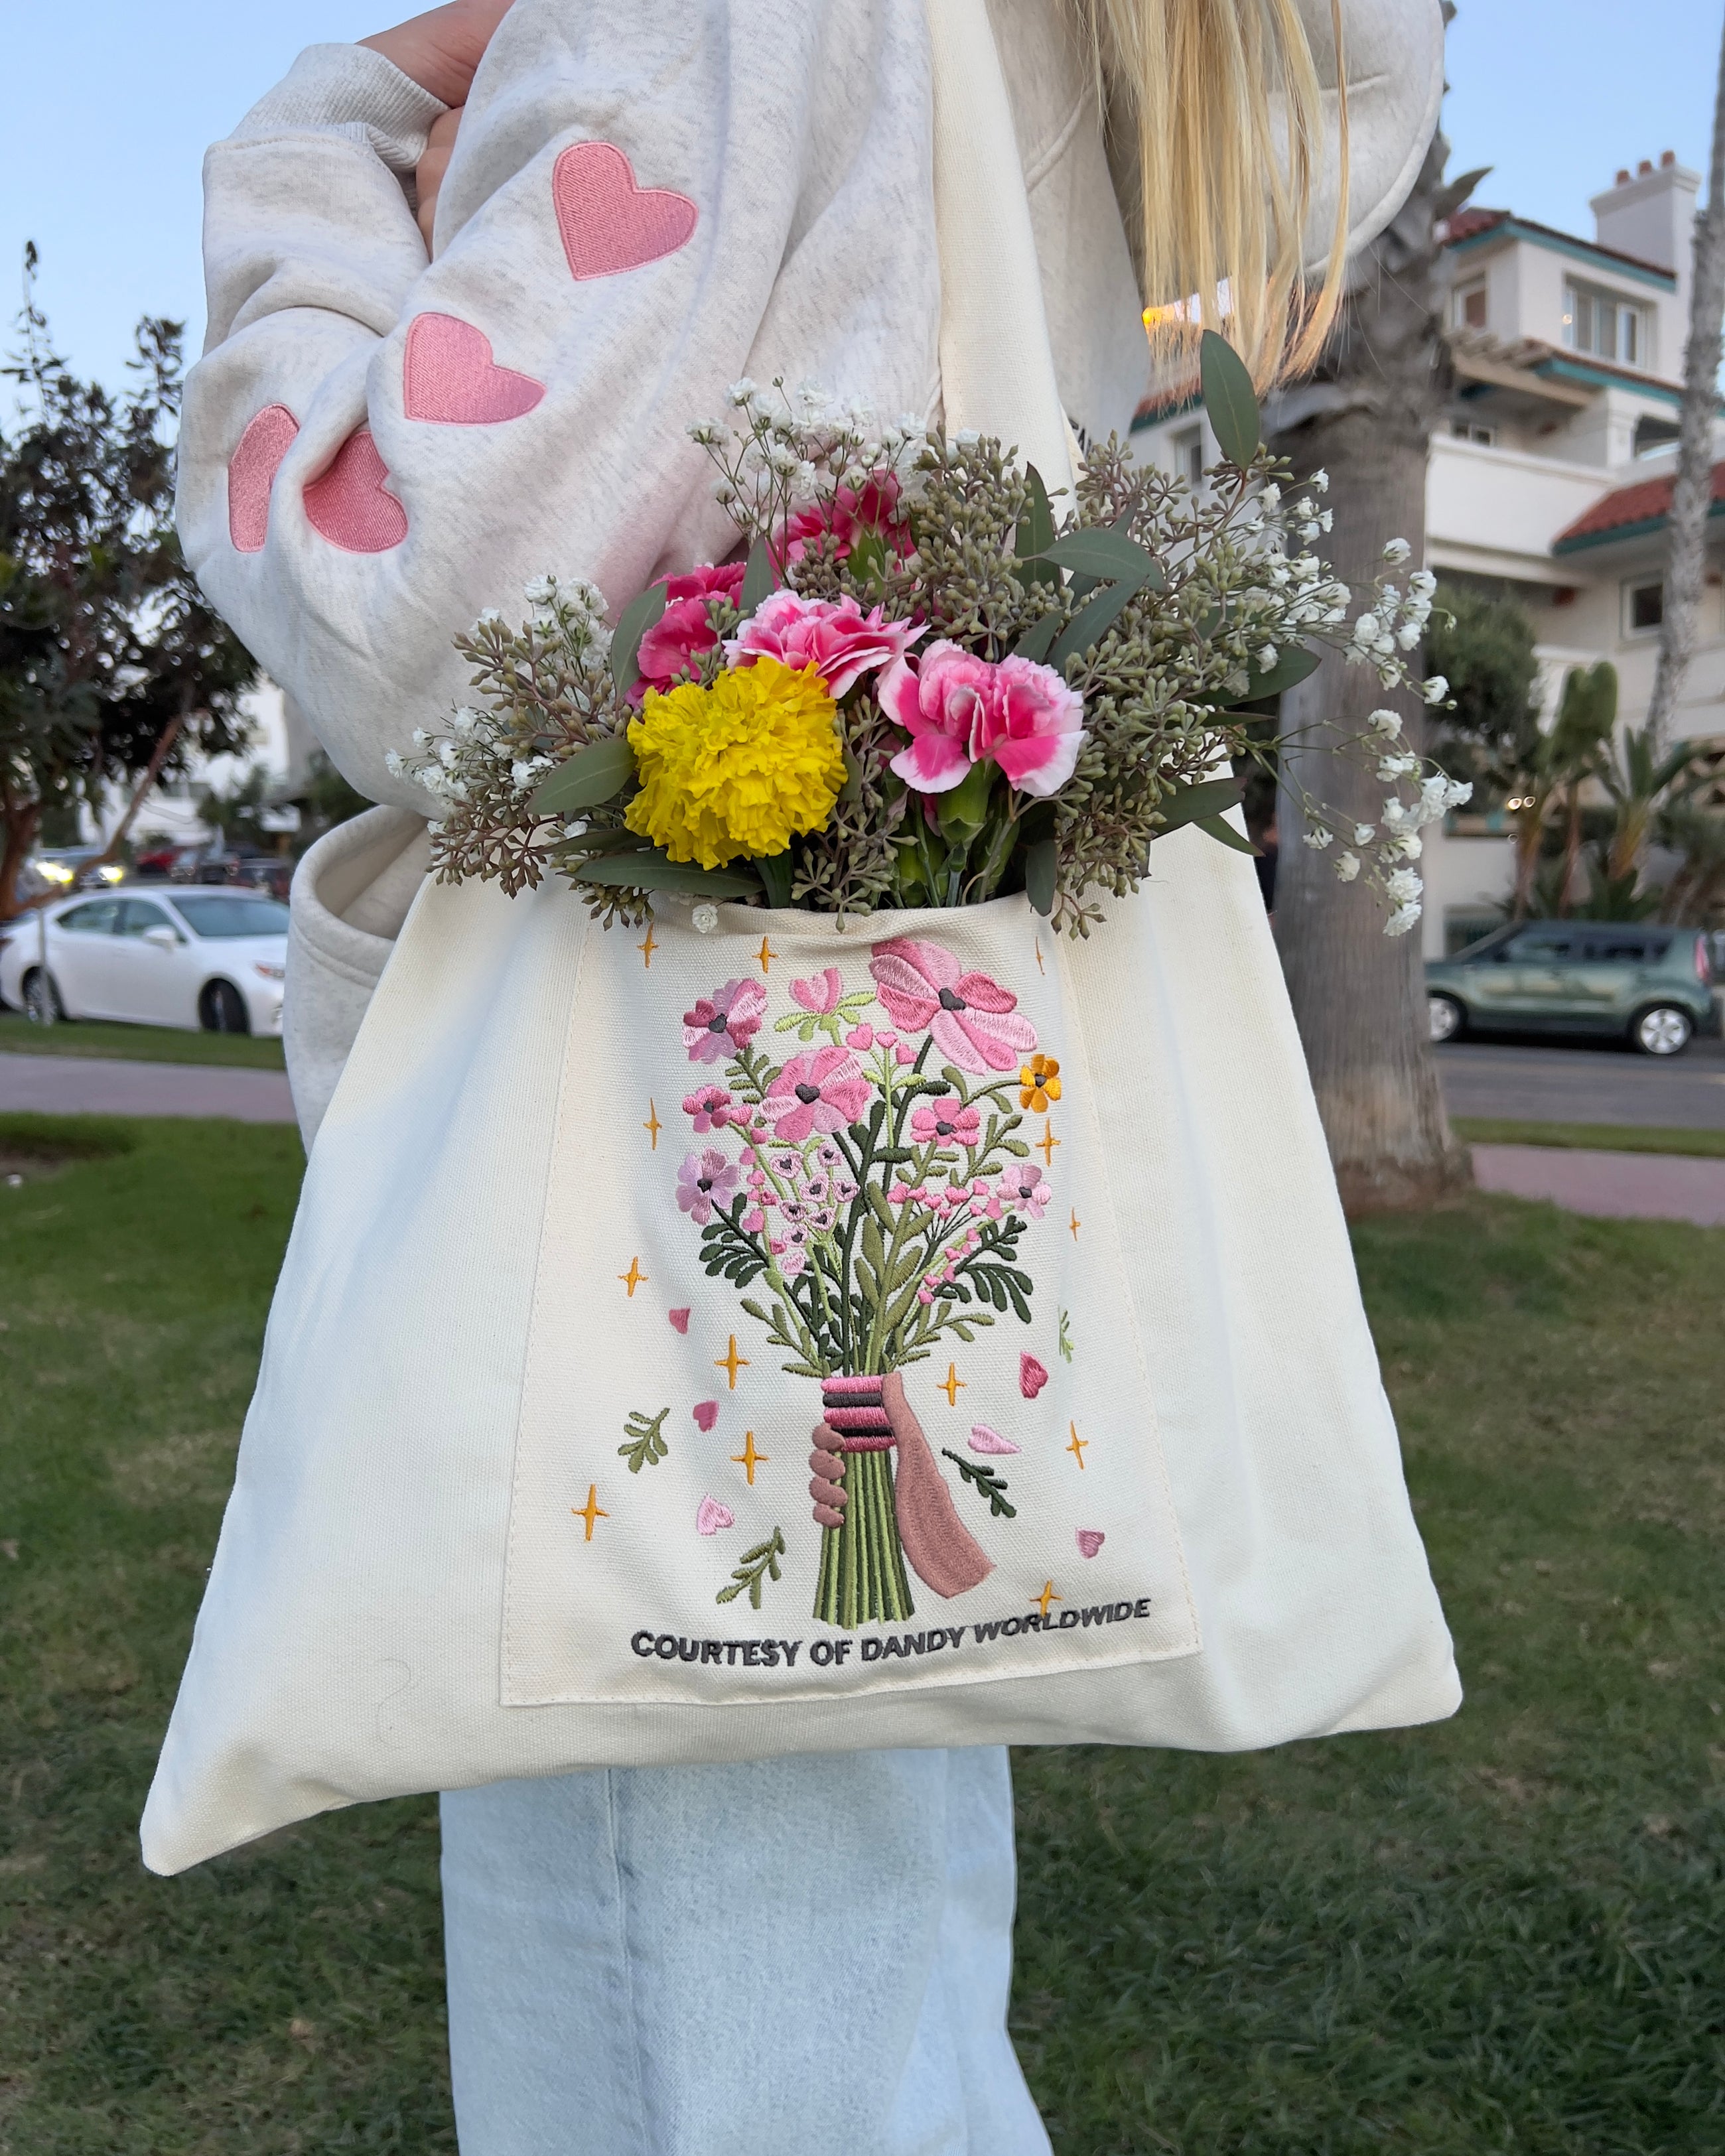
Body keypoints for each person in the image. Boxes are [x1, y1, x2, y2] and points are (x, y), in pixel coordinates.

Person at [174, 3, 1442, 2147]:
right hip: (868, 1063)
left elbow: (418, 602)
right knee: (849, 1999)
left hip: (668, 1188)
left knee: (724, 2040)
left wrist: (339, 138)